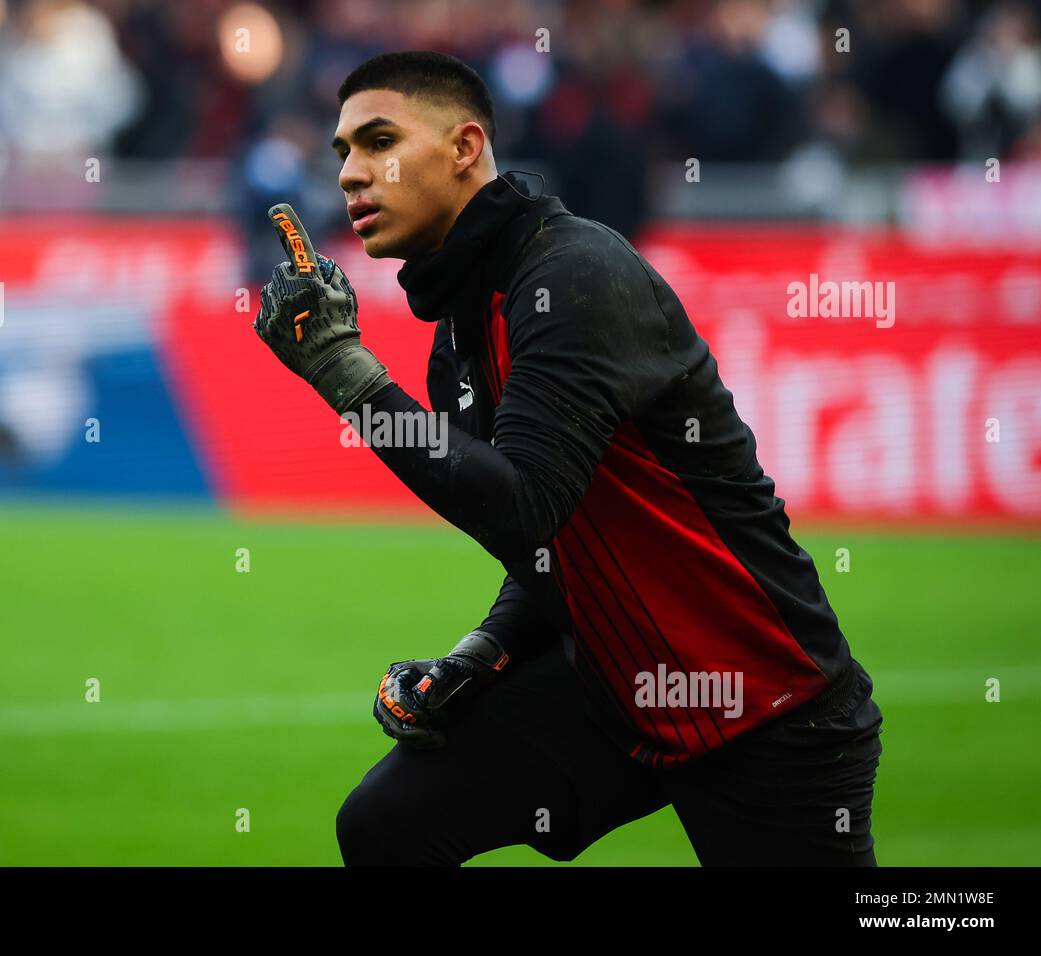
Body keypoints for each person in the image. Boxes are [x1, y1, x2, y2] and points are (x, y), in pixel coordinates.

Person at [252, 50, 883, 866]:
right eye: (342, 152)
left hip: (765, 702)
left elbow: (522, 504)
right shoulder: (461, 327)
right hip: (617, 690)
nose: (350, 174)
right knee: (386, 826)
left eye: (378, 141)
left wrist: (345, 373)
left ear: (465, 147)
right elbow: (547, 544)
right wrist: (483, 653)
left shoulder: (574, 274)